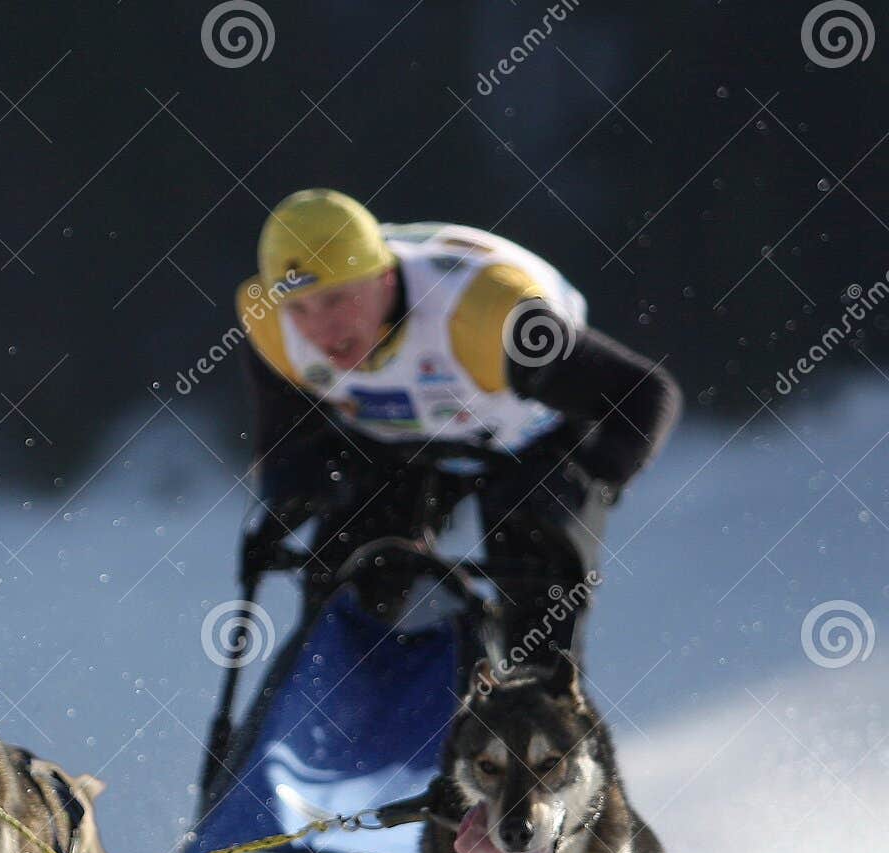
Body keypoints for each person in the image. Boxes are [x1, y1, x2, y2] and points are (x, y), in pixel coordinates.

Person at [236, 189, 681, 659]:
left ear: (385, 279)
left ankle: (538, 709)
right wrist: (289, 502)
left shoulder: (488, 320)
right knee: (340, 591)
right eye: (300, 308)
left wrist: (596, 478)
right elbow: (289, 448)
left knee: (539, 603)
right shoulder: (274, 328)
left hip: (529, 440)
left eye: (335, 300)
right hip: (396, 447)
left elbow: (647, 392)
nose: (320, 330)